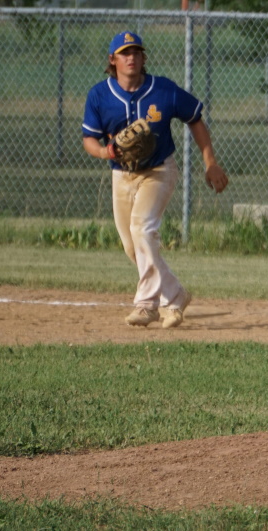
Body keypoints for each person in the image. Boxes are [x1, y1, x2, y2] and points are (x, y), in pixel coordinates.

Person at [82, 31, 229, 328]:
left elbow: (195, 120)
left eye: (136, 51)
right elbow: (89, 139)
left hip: (159, 171)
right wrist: (105, 151)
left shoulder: (163, 90)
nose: (131, 57)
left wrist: (210, 161)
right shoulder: (99, 95)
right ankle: (175, 295)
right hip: (121, 175)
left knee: (142, 228)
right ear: (113, 60)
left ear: (143, 57)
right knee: (132, 245)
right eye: (124, 52)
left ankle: (147, 305)